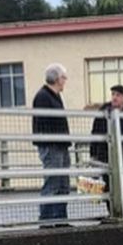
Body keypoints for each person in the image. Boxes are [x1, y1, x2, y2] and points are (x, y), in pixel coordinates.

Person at [32, 64, 71, 225]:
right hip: (51, 146)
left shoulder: (54, 96)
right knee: (53, 183)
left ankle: (60, 219)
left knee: (63, 184)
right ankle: (46, 220)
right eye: (63, 77)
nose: (65, 81)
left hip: (60, 145)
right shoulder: (43, 97)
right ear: (56, 79)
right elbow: (45, 123)